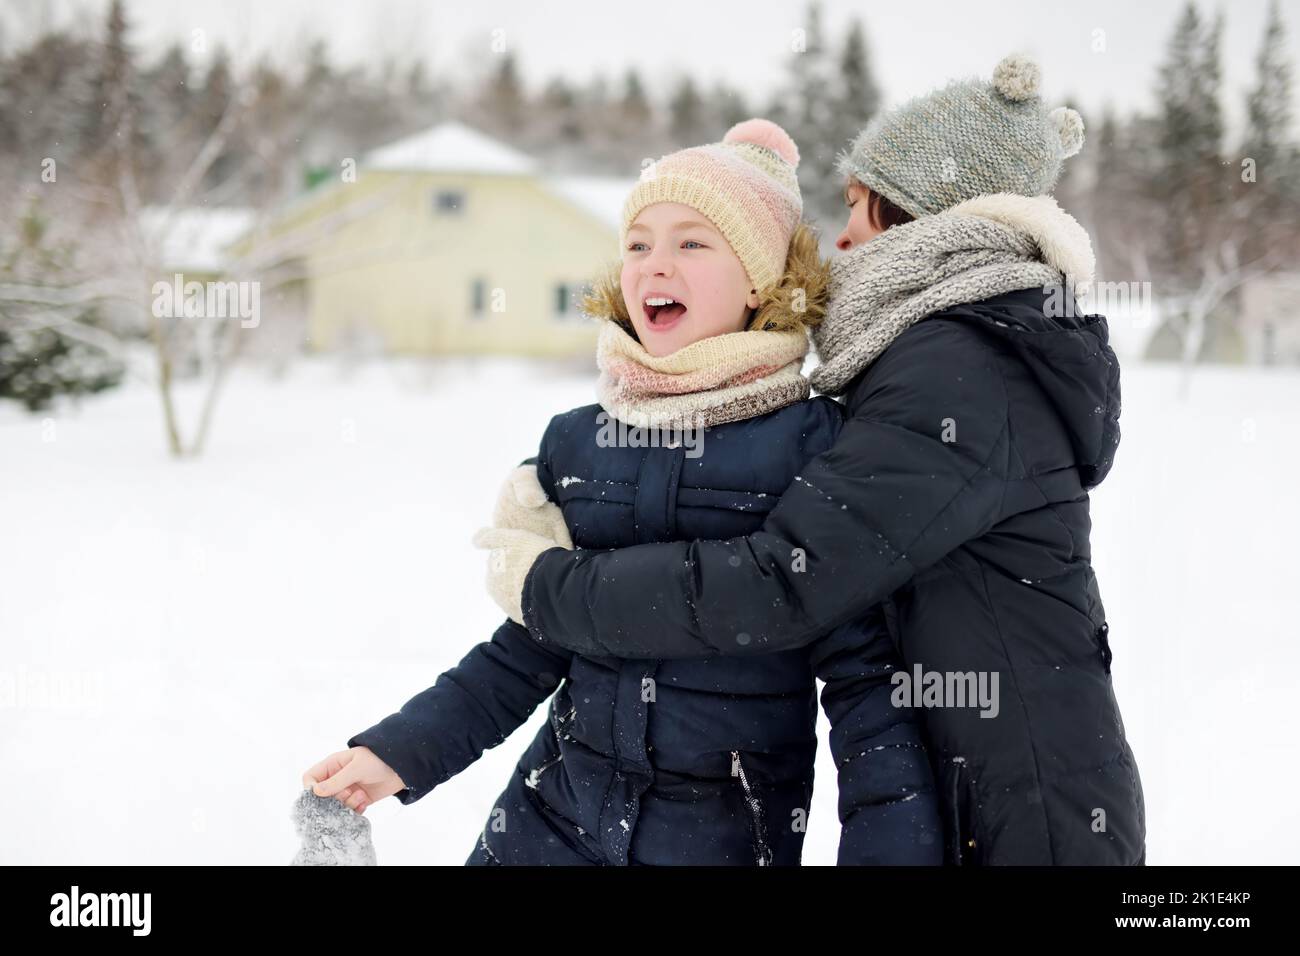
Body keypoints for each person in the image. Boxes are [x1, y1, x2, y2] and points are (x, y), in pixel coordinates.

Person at [475, 54, 1147, 866]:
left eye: (859, 206)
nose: (841, 235)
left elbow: (784, 582)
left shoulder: (960, 367)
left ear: (914, 214)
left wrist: (544, 584)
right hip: (996, 785)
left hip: (1021, 812)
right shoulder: (953, 348)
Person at [305, 119, 942, 865]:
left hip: (717, 839)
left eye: (692, 243)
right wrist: (401, 753)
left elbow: (867, 684)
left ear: (764, 280)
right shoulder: (580, 441)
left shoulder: (814, 446)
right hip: (549, 820)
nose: (654, 264)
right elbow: (531, 645)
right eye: (638, 244)